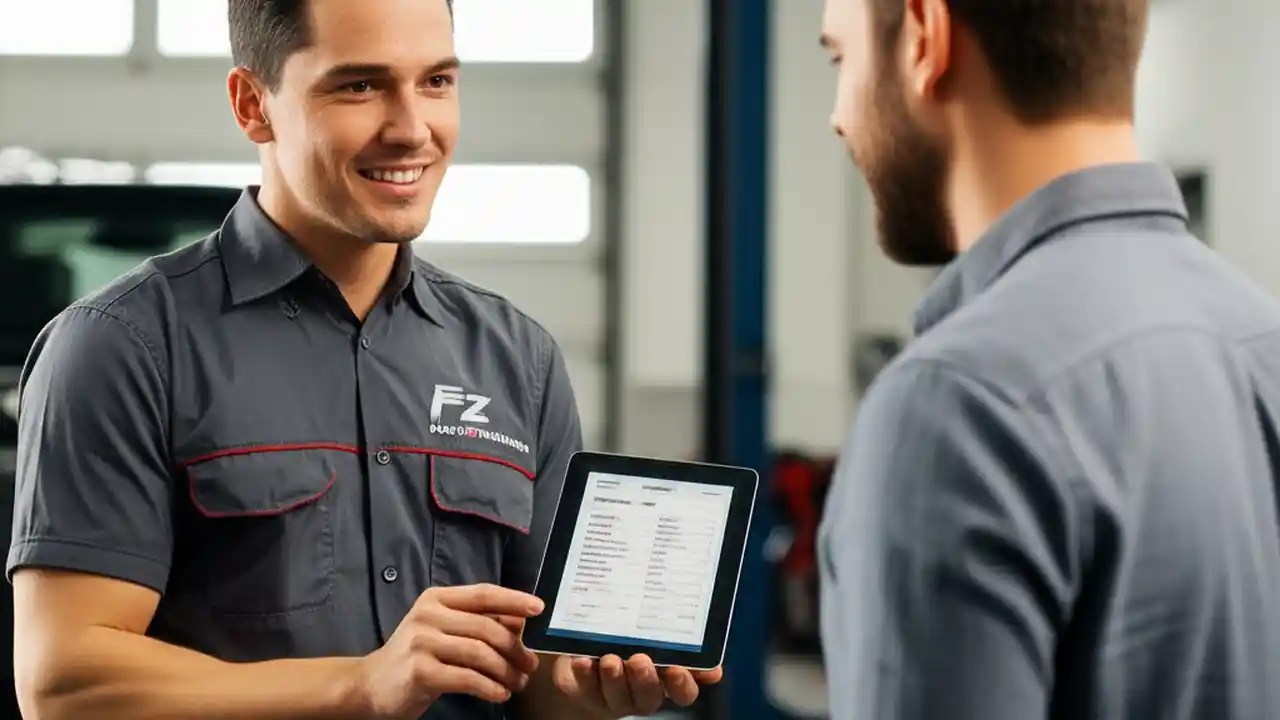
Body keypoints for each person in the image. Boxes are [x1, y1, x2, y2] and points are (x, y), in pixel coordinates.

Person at [6, 0, 720, 718]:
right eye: (360, 85)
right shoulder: (121, 348)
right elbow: (65, 686)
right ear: (253, 105)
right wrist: (361, 685)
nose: (412, 129)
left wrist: (581, 690)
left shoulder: (516, 357)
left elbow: (538, 678)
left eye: (436, 81)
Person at [816, 0, 1280, 718]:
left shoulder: (956, 407)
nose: (838, 117)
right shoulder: (1261, 340)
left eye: (841, 59)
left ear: (925, 37)